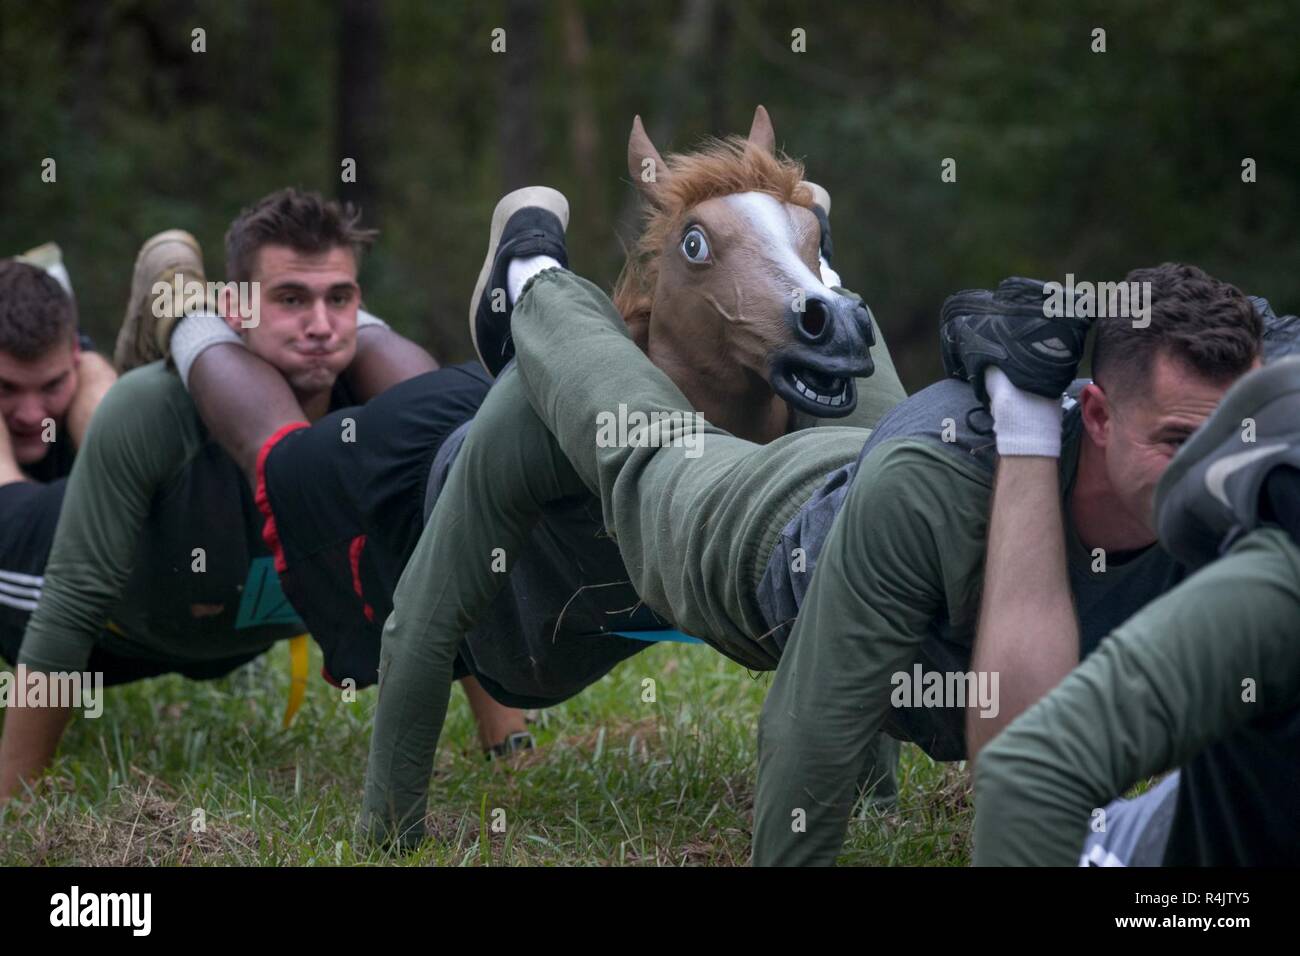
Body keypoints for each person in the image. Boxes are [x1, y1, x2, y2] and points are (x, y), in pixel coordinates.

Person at [0, 188, 519, 800]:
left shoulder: (379, 413)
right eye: (291, 299)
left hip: (219, 629)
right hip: (103, 618)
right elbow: (68, 608)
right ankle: (108, 349)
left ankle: (162, 320)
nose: (322, 327)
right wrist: (14, 801)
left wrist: (509, 747)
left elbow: (449, 554)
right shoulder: (148, 410)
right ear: (237, 308)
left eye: (340, 299)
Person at [973, 355, 1300, 866]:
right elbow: (1031, 769)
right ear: (1099, 418)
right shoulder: (1276, 586)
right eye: (1174, 440)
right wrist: (1027, 435)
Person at [1, 254, 116, 644]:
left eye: (51, 386)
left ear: (74, 358)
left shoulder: (89, 381)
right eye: (6, 389)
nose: (31, 415)